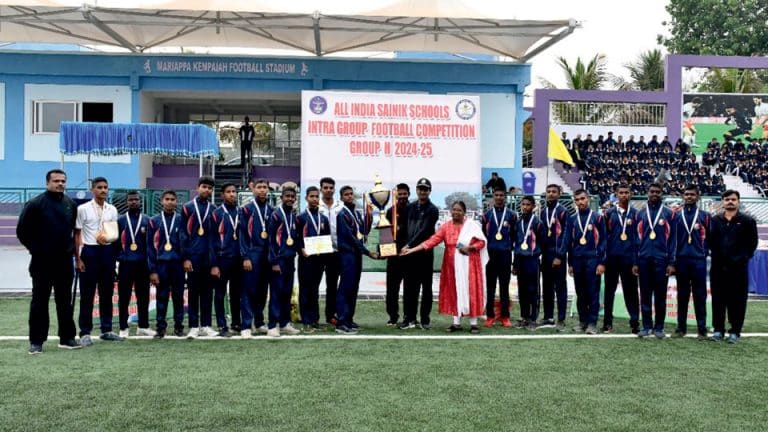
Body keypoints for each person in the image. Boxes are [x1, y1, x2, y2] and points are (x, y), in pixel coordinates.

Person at [17, 169, 81, 354]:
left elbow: (72, 231)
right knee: (39, 301)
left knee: (65, 301)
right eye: (56, 181)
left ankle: (67, 338)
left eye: (63, 181)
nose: (60, 184)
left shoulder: (70, 204)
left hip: (64, 262)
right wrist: (36, 249)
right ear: (47, 183)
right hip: (42, 262)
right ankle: (36, 341)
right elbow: (22, 231)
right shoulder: (35, 204)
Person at [403, 201, 488, 333]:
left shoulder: (471, 226)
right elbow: (431, 241)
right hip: (451, 265)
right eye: (454, 209)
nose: (456, 212)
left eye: (459, 210)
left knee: (470, 290)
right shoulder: (446, 227)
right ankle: (456, 323)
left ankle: (474, 323)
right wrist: (412, 249)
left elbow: (482, 242)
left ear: (464, 212)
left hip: (469, 264)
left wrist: (470, 247)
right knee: (454, 290)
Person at [75, 176, 121, 346]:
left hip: (107, 252)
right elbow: (77, 234)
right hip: (90, 251)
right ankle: (85, 332)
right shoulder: (83, 209)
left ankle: (106, 329)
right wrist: (78, 258)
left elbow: (113, 232)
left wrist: (108, 239)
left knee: (107, 293)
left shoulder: (112, 209)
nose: (103, 190)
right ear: (92, 189)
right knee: (87, 294)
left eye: (105, 187)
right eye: (99, 187)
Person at [708, 190, 758, 343]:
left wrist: (742, 258)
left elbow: (752, 243)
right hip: (718, 267)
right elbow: (710, 241)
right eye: (727, 199)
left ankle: (735, 331)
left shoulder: (748, 221)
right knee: (718, 299)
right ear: (723, 202)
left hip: (738, 268)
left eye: (733, 199)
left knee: (737, 300)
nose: (730, 201)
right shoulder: (715, 220)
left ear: (738, 201)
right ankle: (718, 330)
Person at [632, 183, 677, 339]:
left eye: (658, 192)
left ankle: (659, 327)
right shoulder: (640, 214)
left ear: (662, 193)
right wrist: (635, 262)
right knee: (645, 294)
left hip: (661, 260)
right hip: (644, 259)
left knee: (660, 295)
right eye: (652, 191)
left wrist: (671, 262)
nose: (655, 194)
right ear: (647, 192)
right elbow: (635, 240)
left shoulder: (669, 214)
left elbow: (673, 240)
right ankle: (646, 326)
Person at [335, 185, 379, 334]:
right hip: (347, 255)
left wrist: (370, 216)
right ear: (341, 198)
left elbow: (363, 231)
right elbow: (351, 238)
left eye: (351, 194)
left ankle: (349, 319)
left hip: (356, 255)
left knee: (353, 288)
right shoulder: (342, 215)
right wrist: (368, 252)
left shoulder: (356, 213)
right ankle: (341, 322)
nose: (349, 196)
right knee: (346, 287)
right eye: (346, 194)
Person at [565, 189, 606, 335]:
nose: (580, 202)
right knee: (580, 293)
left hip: (593, 260)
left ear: (588, 199)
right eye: (577, 200)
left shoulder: (597, 218)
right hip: (577, 260)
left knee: (593, 293)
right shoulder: (572, 219)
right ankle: (583, 321)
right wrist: (570, 263)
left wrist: (601, 262)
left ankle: (592, 323)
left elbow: (603, 241)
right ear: (574, 202)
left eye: (582, 199)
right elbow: (569, 243)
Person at [181, 176, 217, 339]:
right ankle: (194, 326)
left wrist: (214, 262)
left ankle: (206, 325)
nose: (207, 190)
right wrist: (186, 258)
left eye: (210, 188)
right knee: (193, 292)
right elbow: (183, 234)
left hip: (208, 258)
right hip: (193, 257)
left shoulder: (214, 209)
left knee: (207, 293)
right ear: (197, 188)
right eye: (204, 187)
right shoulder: (187, 208)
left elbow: (215, 238)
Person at [673, 185, 711, 339]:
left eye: (692, 194)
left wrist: (704, 252)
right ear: (683, 196)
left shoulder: (705, 216)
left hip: (698, 260)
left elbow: (710, 237)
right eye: (687, 194)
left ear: (698, 197)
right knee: (682, 295)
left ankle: (702, 329)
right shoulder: (676, 215)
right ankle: (680, 328)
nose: (689, 197)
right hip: (681, 260)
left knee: (700, 295)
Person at [401, 177, 439, 330]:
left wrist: (409, 245)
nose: (422, 192)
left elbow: (424, 231)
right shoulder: (409, 207)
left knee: (426, 288)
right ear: (416, 190)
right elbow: (404, 229)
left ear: (429, 191)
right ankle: (409, 318)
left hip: (424, 254)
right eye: (420, 189)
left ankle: (425, 320)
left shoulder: (433, 210)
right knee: (410, 288)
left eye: (425, 189)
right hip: (410, 255)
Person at [116, 190, 154, 338]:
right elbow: (115, 243)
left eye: (136, 199)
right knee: (124, 296)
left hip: (142, 264)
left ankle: (143, 326)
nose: (133, 202)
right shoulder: (120, 220)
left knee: (143, 296)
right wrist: (119, 257)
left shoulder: (147, 220)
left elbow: (151, 244)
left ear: (140, 201)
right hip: (126, 264)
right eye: (131, 200)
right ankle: (123, 327)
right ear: (127, 202)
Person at [602, 184, 640, 334]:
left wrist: (635, 261)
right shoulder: (608, 213)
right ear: (616, 195)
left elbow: (637, 239)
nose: (624, 195)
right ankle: (607, 322)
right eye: (621, 193)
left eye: (626, 192)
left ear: (631, 194)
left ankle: (635, 322)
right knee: (609, 291)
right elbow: (604, 237)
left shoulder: (636, 214)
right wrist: (604, 259)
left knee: (631, 292)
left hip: (628, 259)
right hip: (611, 259)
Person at [147, 190, 185, 339]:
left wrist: (185, 260)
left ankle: (179, 327)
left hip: (178, 265)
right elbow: (150, 247)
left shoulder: (181, 220)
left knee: (178, 296)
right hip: (161, 264)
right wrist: (153, 270)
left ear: (176, 202)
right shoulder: (154, 221)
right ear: (162, 201)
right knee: (161, 297)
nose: (170, 202)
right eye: (167, 199)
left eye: (172, 199)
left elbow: (185, 242)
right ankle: (161, 328)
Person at [239, 178, 273, 337]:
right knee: (248, 290)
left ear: (268, 190)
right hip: (252, 253)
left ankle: (259, 323)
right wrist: (245, 257)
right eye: (259, 187)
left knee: (262, 290)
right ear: (253, 189)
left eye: (265, 187)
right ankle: (246, 325)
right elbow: (242, 235)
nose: (262, 190)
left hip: (267, 255)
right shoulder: (246, 210)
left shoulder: (272, 210)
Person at [266, 187, 302, 337]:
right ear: (281, 198)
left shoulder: (293, 216)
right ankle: (272, 325)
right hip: (278, 260)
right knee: (276, 293)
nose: (290, 199)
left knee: (287, 292)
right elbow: (271, 240)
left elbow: (295, 238)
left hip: (290, 260)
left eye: (292, 197)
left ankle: (284, 323)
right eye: (287, 196)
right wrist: (274, 261)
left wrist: (301, 250)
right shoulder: (276, 215)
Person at [296, 186, 331, 332]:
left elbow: (327, 237)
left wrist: (326, 257)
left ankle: (315, 320)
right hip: (306, 259)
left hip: (319, 259)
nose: (315, 199)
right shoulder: (301, 218)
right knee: (305, 289)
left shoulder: (323, 218)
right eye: (312, 196)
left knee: (315, 290)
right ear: (306, 198)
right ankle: (306, 321)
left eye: (317, 196)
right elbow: (296, 237)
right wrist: (301, 249)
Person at [210, 182, 243, 337]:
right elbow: (211, 240)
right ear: (222, 195)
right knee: (220, 294)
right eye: (228, 192)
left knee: (236, 293)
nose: (232, 194)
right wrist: (214, 264)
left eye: (234, 191)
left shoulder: (241, 212)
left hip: (238, 260)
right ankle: (222, 325)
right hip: (222, 259)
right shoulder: (216, 214)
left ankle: (236, 323)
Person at [481, 187, 516, 327]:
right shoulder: (487, 215)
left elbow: (514, 235)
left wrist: (509, 248)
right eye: (497, 195)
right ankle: (490, 316)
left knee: (504, 286)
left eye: (501, 195)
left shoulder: (512, 215)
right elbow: (483, 236)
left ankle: (505, 316)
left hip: (505, 255)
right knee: (490, 286)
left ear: (505, 197)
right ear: (493, 197)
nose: (499, 197)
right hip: (490, 255)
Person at [513, 195, 546, 330]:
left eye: (528, 205)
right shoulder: (518, 222)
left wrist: (535, 253)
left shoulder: (538, 223)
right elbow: (516, 243)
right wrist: (514, 264)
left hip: (532, 260)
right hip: (520, 259)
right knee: (522, 290)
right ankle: (524, 317)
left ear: (533, 206)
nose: (525, 207)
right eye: (523, 204)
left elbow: (543, 242)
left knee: (533, 290)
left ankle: (533, 318)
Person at [538, 184, 569, 330]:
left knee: (560, 287)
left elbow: (565, 236)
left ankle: (561, 319)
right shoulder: (543, 212)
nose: (550, 194)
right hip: (545, 255)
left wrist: (560, 255)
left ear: (559, 194)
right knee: (547, 287)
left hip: (558, 256)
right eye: (548, 191)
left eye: (554, 192)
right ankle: (548, 317)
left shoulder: (563, 212)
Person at [384, 183, 410, 326]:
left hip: (409, 255)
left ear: (409, 194)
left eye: (404, 194)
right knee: (392, 288)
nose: (402, 196)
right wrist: (385, 251)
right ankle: (393, 316)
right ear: (395, 195)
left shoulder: (413, 210)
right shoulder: (390, 212)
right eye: (400, 194)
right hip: (393, 256)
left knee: (409, 289)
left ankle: (408, 316)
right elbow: (386, 232)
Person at [318, 176, 343, 326]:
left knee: (332, 285)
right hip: (319, 251)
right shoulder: (315, 205)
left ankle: (331, 315)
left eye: (331, 188)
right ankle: (311, 317)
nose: (328, 190)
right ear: (321, 189)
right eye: (325, 188)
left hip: (336, 251)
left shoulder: (340, 206)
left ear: (334, 189)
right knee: (313, 285)